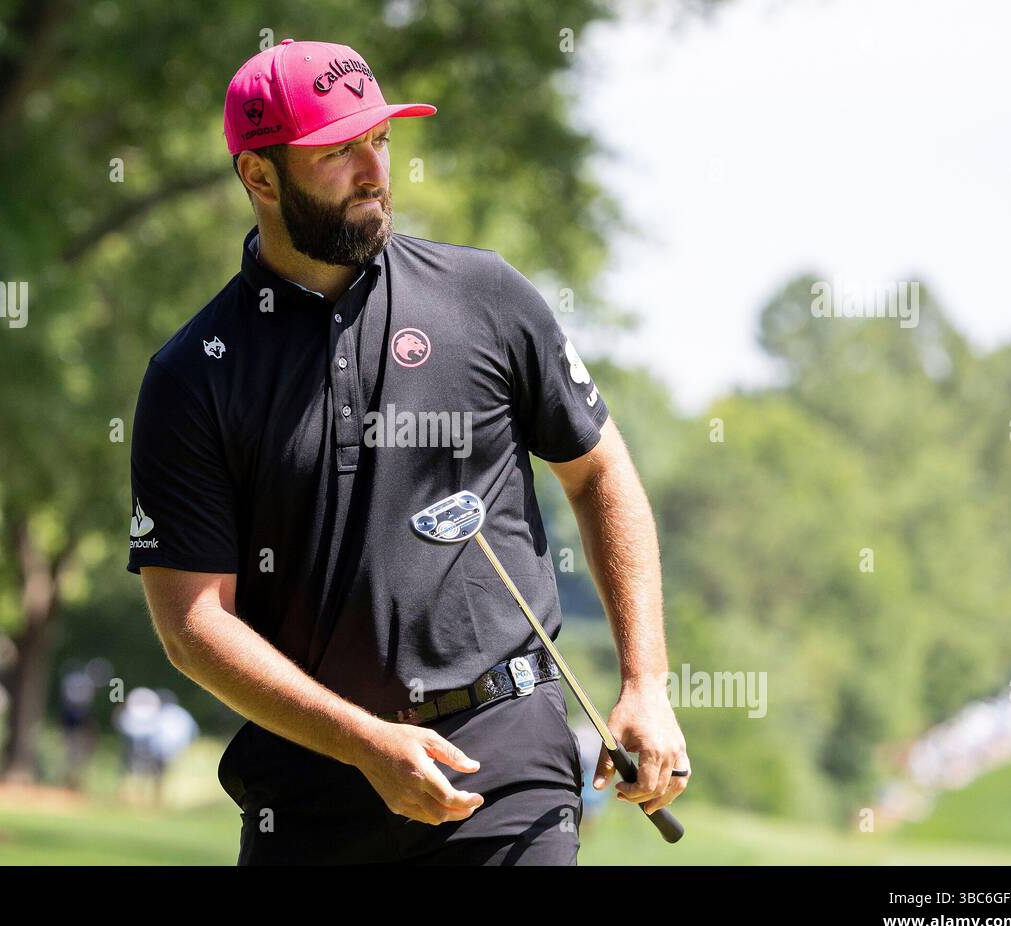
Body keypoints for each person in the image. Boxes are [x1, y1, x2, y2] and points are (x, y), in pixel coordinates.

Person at [127, 38, 689, 865]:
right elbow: (192, 624)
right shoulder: (193, 375)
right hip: (307, 792)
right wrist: (362, 743)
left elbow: (599, 471)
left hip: (507, 766)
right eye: (337, 151)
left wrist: (646, 681)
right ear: (259, 177)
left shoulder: (487, 297)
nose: (373, 170)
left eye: (380, 141)